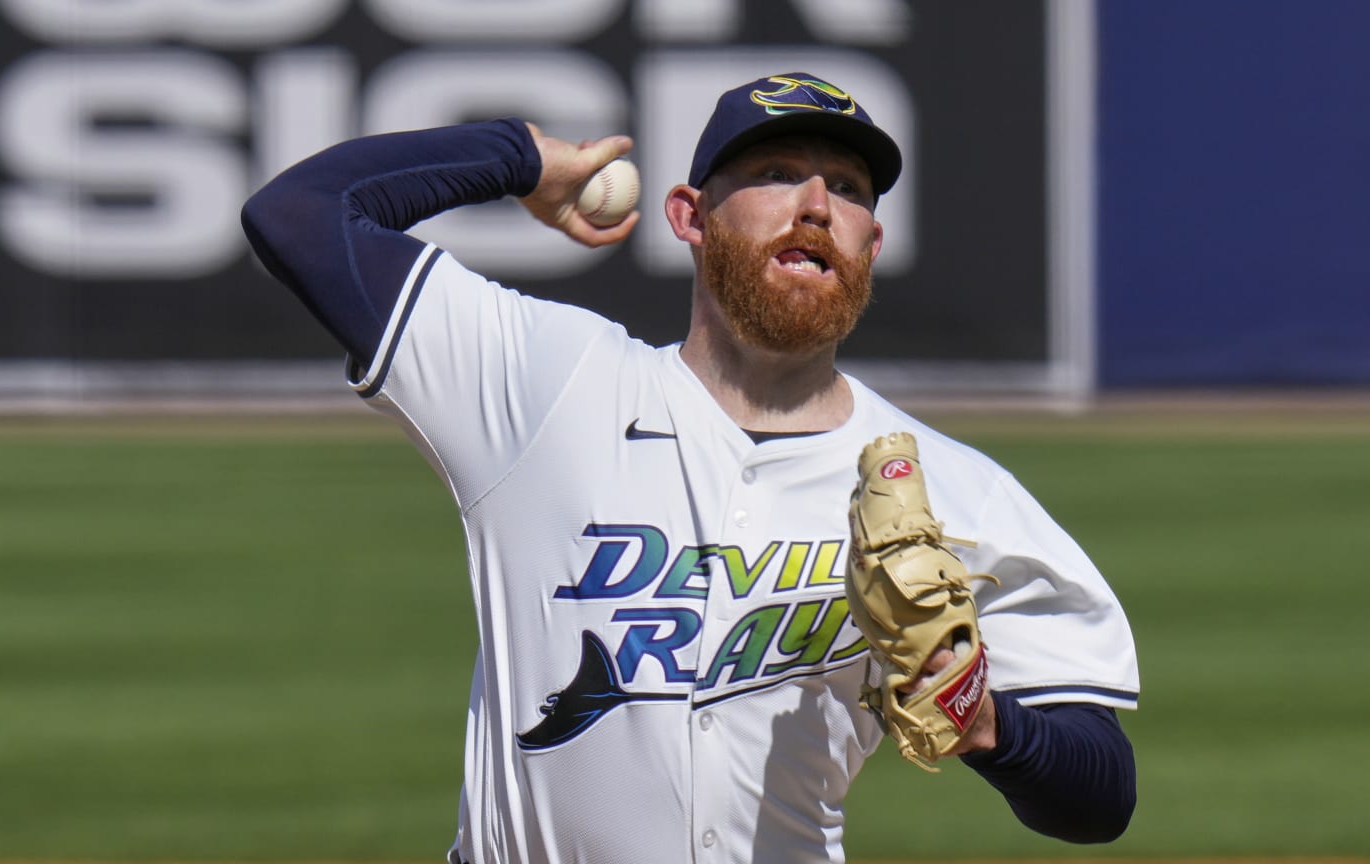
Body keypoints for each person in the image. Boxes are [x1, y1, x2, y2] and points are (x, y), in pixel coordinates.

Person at [242, 72, 1139, 864]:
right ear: (690, 217)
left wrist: (988, 724)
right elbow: (300, 214)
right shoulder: (547, 381)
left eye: (848, 189)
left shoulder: (946, 488)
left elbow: (1101, 798)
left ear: (870, 244)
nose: (816, 204)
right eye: (776, 173)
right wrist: (518, 158)